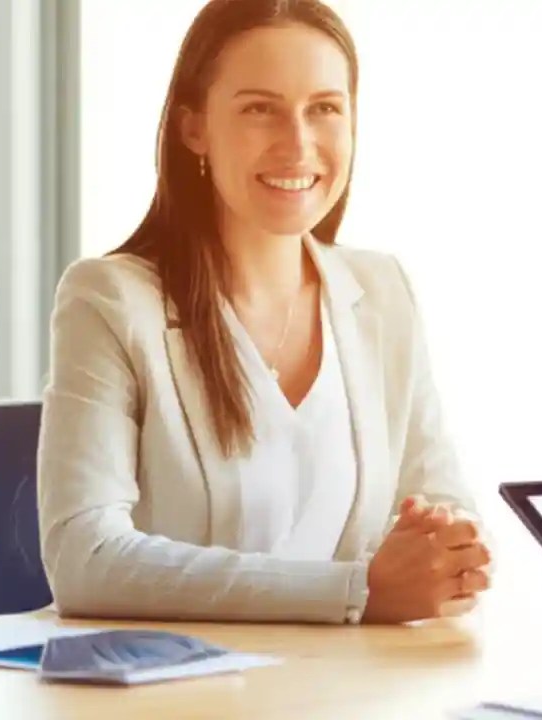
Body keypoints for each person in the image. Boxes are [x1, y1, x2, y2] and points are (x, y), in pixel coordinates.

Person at [37, 0, 491, 625]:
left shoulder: (382, 290)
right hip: (182, 681)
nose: (297, 145)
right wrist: (353, 591)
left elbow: (446, 502)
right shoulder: (110, 301)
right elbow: (85, 558)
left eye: (324, 108)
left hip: (351, 676)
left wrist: (448, 552)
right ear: (194, 128)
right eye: (259, 109)